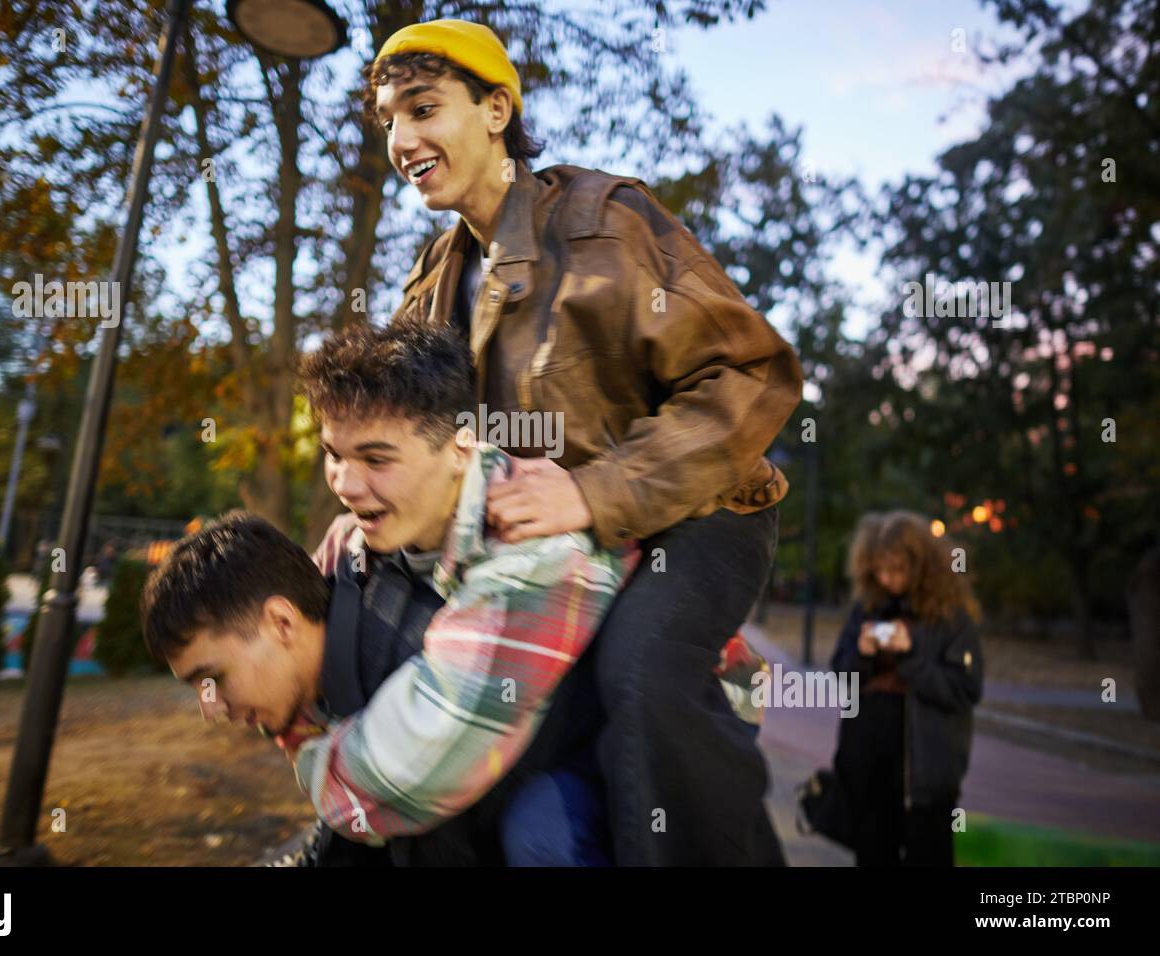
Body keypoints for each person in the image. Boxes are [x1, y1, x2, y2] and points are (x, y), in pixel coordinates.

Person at [366, 18, 802, 863]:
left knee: (639, 677)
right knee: (414, 679)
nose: (402, 138)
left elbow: (752, 377)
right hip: (542, 549)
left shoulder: (608, 220)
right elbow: (406, 432)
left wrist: (592, 492)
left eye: (422, 108)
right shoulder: (432, 279)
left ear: (497, 110)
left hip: (696, 517)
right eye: (388, 120)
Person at [143, 321, 634, 864]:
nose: (347, 486)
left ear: (459, 447)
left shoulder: (537, 549)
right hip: (502, 782)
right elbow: (280, 632)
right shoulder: (361, 535)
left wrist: (306, 746)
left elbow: (409, 775)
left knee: (541, 833)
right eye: (335, 455)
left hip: (622, 771)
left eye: (377, 460)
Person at [830, 511, 984, 866]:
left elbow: (964, 689)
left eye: (897, 569)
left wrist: (910, 655)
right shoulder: (868, 607)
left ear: (921, 566)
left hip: (924, 776)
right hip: (867, 769)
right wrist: (863, 654)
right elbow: (841, 671)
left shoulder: (951, 618)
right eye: (880, 569)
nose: (888, 579)